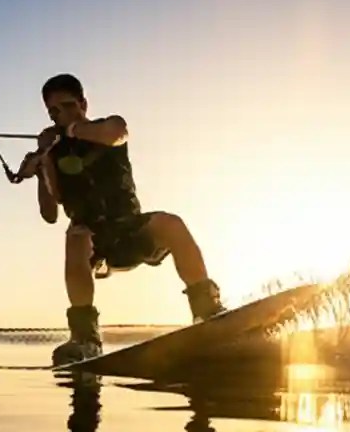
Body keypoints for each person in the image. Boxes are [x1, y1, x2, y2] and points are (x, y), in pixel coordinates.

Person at [17, 74, 226, 364]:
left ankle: (207, 310)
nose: (60, 115)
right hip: (94, 244)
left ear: (83, 104)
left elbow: (116, 133)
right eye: (53, 112)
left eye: (67, 106)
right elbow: (50, 213)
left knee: (171, 223)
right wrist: (41, 164)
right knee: (75, 235)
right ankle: (85, 338)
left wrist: (73, 130)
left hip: (131, 231)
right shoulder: (54, 151)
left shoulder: (108, 126)